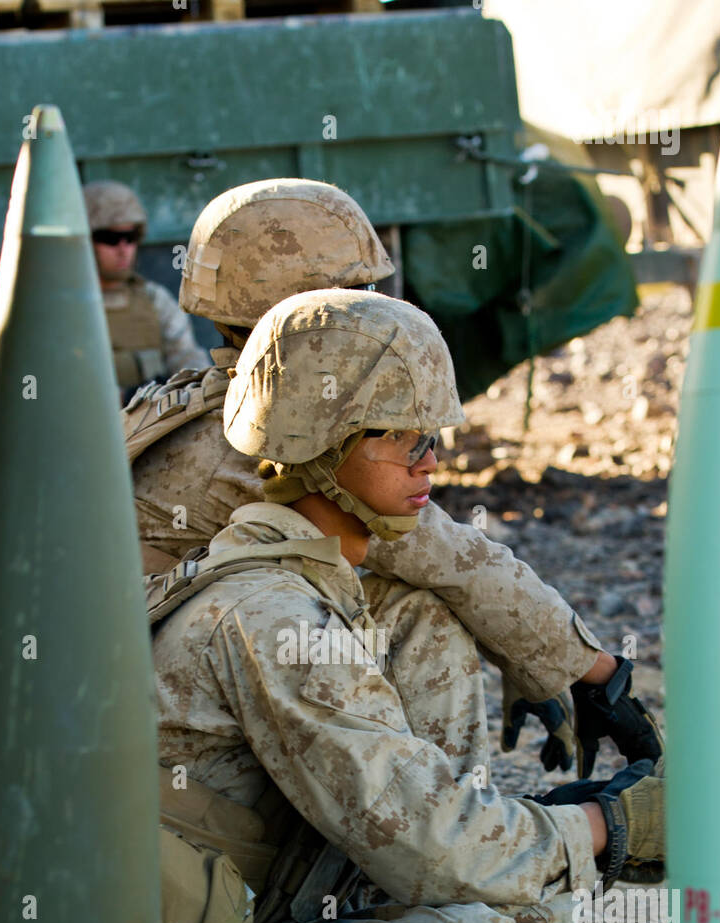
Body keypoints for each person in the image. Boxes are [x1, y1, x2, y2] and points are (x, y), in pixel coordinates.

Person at [150, 289, 668, 923]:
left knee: (521, 902)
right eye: (400, 434)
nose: (432, 458)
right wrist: (609, 827)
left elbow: (431, 830)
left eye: (436, 434)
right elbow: (436, 841)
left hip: (266, 921)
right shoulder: (273, 619)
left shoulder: (314, 584)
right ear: (319, 448)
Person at [127, 176, 647, 778]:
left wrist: (537, 662)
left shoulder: (195, 402)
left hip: (142, 682)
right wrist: (598, 677)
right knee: (421, 618)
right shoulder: (259, 440)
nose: (372, 312)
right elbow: (451, 559)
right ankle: (453, 840)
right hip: (163, 743)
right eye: (356, 295)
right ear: (314, 311)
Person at [82, 181, 208, 402]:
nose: (123, 249)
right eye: (110, 239)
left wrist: (196, 389)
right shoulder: (64, 308)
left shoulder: (154, 299)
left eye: (130, 238)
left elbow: (188, 359)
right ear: (85, 240)